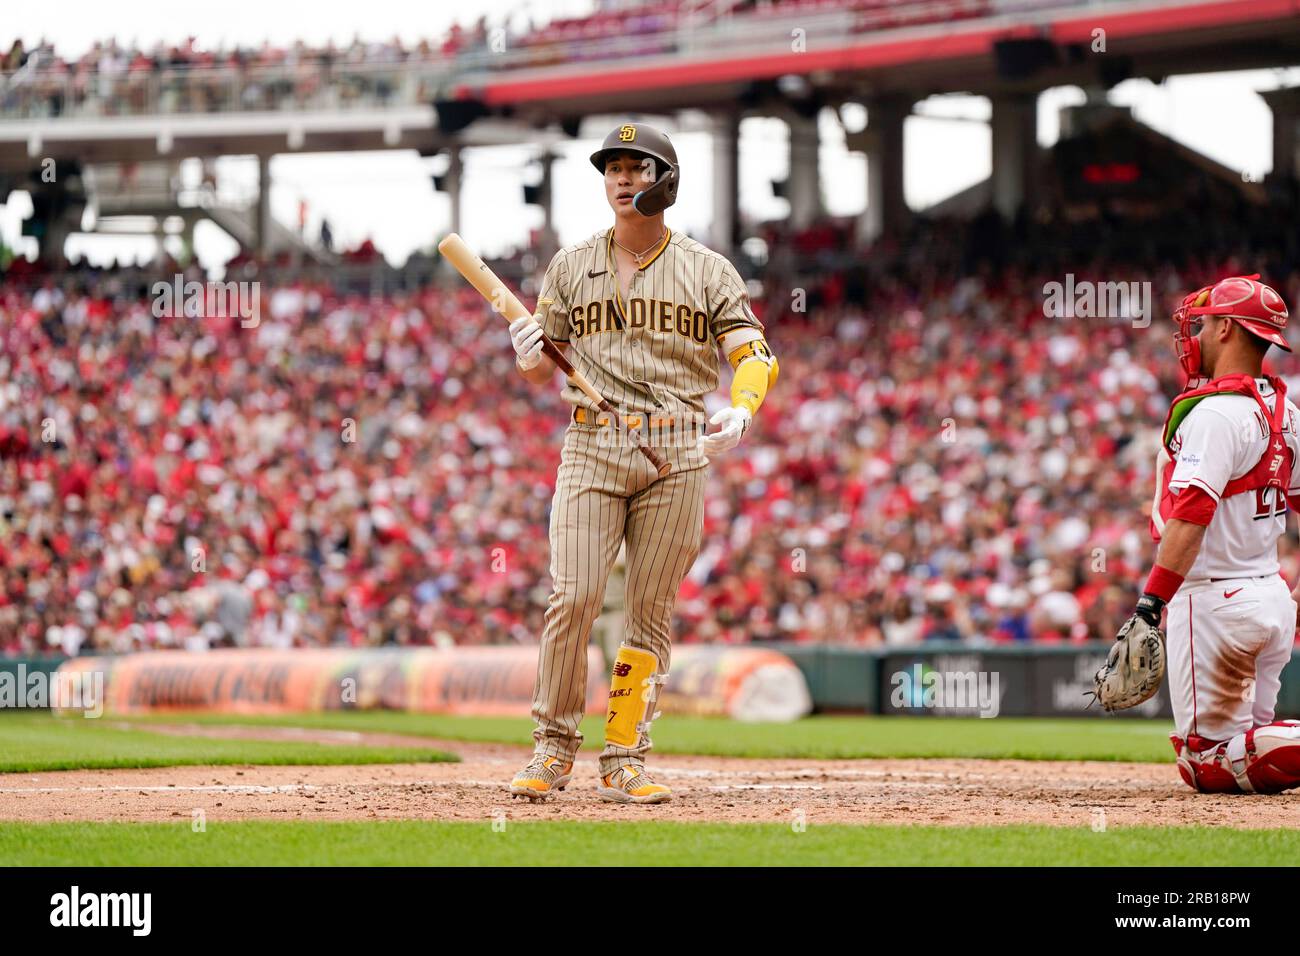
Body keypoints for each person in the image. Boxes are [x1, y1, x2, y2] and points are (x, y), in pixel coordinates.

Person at [504, 123, 779, 804]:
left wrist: (742, 409)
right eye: (613, 168)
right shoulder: (569, 266)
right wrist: (528, 352)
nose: (622, 179)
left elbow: (753, 353)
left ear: (667, 179)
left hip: (679, 443)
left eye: (637, 166)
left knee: (651, 610)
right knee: (574, 594)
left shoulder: (710, 268)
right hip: (593, 441)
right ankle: (553, 748)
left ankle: (626, 754)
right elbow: (544, 369)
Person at [1136, 275, 1300, 792]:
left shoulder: (1216, 414)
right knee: (1248, 746)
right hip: (1269, 596)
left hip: (1215, 601)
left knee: (1204, 764)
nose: (1197, 335)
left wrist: (1149, 605)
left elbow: (1189, 516)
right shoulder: (1287, 414)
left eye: (1206, 324)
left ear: (1227, 328)